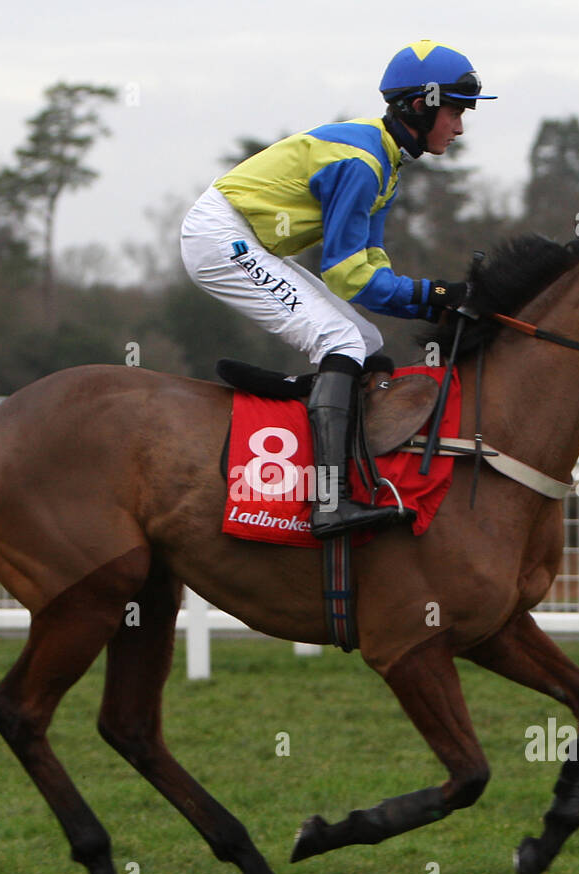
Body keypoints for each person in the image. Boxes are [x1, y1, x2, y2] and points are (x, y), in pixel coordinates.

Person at [181, 39, 493, 538]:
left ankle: (342, 466)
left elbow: (369, 266)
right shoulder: (364, 164)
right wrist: (434, 297)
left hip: (247, 238)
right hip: (221, 239)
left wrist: (433, 302)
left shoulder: (387, 157)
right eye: (455, 113)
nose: (459, 127)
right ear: (419, 107)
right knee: (342, 341)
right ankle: (329, 501)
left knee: (365, 341)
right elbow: (348, 276)